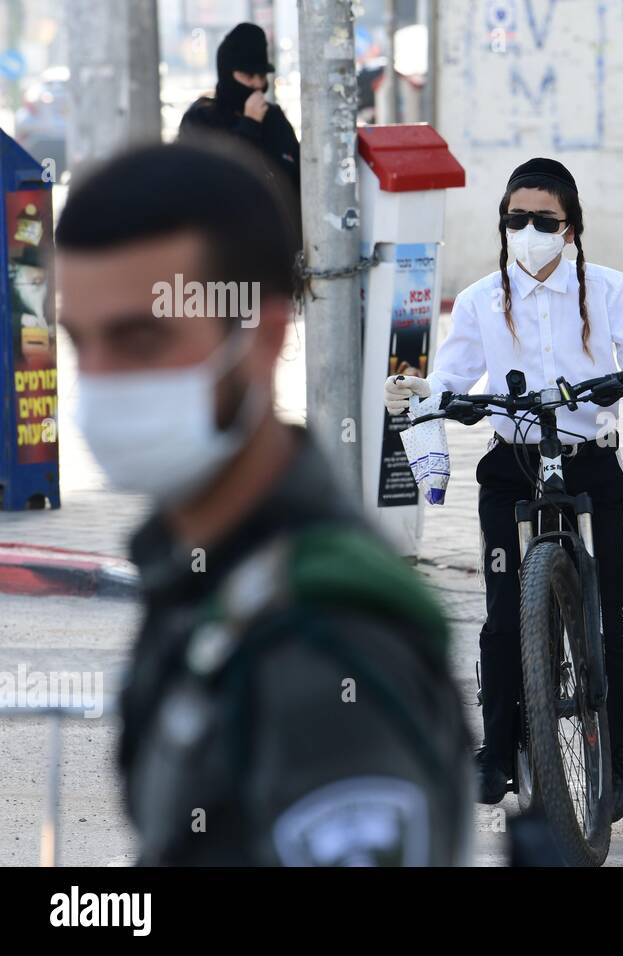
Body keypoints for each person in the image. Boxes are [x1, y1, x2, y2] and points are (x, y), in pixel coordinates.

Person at [55, 141, 472, 866]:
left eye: (140, 340)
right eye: (79, 343)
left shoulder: (324, 635)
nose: (100, 383)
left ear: (262, 335)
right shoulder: (204, 567)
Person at [384, 157, 623, 819]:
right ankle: (496, 751)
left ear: (572, 229)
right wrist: (418, 396)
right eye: (515, 219)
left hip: (590, 459)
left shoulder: (610, 290)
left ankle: (615, 754)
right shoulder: (478, 300)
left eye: (543, 221)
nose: (528, 231)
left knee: (608, 619)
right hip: (511, 464)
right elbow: (449, 381)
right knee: (502, 618)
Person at [179, 23, 301, 238]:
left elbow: (298, 176)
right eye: (248, 75)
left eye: (262, 77)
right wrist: (249, 124)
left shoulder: (274, 118)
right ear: (227, 73)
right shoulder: (202, 119)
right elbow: (209, 186)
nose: (257, 84)